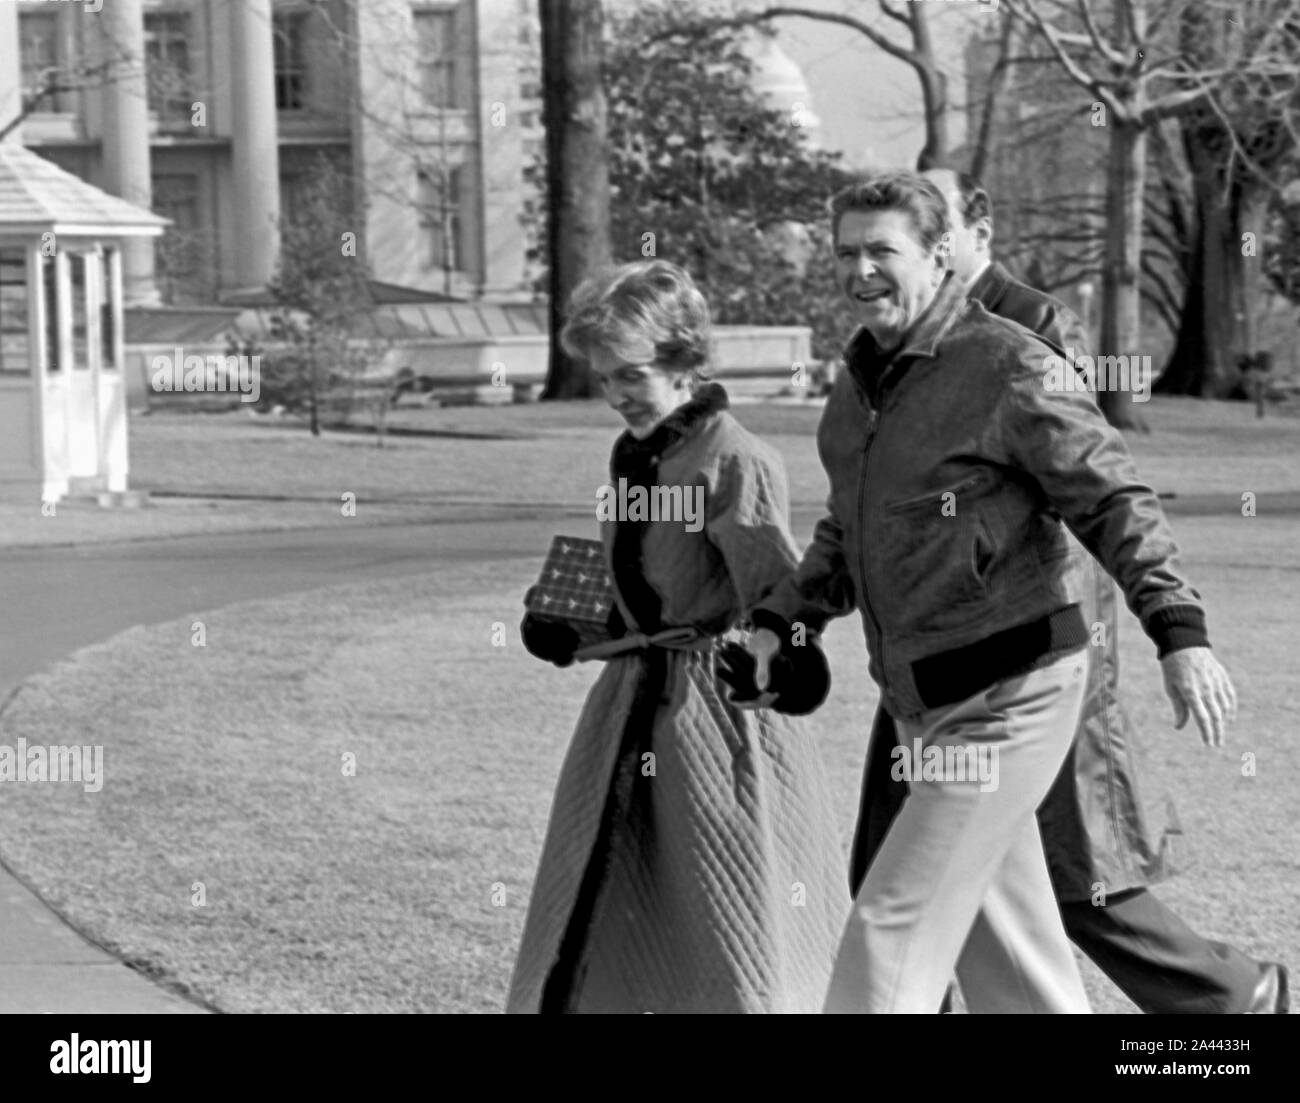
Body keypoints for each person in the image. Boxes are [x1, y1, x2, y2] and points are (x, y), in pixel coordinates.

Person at [742, 172, 1237, 1014]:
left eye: (882, 251)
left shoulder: (1008, 362)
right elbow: (848, 530)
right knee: (1004, 949)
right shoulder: (856, 385)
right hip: (922, 701)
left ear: (940, 255)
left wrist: (1179, 630)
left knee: (890, 922)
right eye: (846, 253)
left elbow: (1114, 498)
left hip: (1012, 691)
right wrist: (781, 618)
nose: (861, 270)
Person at [505, 259, 845, 1014]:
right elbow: (645, 580)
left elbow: (774, 595)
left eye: (630, 373)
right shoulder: (635, 453)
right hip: (626, 706)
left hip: (713, 721)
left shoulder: (735, 458)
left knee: (727, 926)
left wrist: (786, 661)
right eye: (601, 377)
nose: (616, 393)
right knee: (604, 914)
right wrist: (567, 617)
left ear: (683, 357)